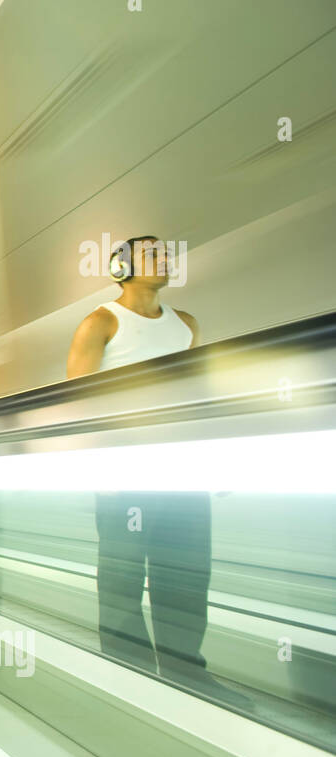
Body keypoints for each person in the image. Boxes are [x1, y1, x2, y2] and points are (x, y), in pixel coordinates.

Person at [66, 236, 248, 708]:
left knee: (186, 573)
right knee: (123, 579)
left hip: (181, 473)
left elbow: (197, 396)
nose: (167, 259)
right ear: (121, 265)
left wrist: (215, 459)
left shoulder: (186, 325)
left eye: (169, 253)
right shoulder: (101, 322)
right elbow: (75, 403)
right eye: (154, 254)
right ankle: (130, 676)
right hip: (124, 475)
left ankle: (188, 674)